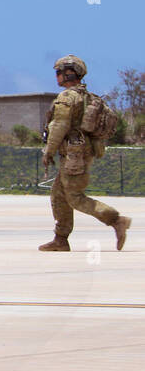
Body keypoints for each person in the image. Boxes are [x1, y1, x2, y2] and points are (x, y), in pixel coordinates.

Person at [39, 55, 131, 251]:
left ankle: (116, 220)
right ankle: (61, 239)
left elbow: (59, 126)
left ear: (68, 73)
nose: (57, 77)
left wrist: (48, 152)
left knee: (74, 197)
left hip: (73, 156)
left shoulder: (67, 97)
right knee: (58, 195)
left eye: (59, 72)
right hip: (81, 153)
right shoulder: (88, 97)